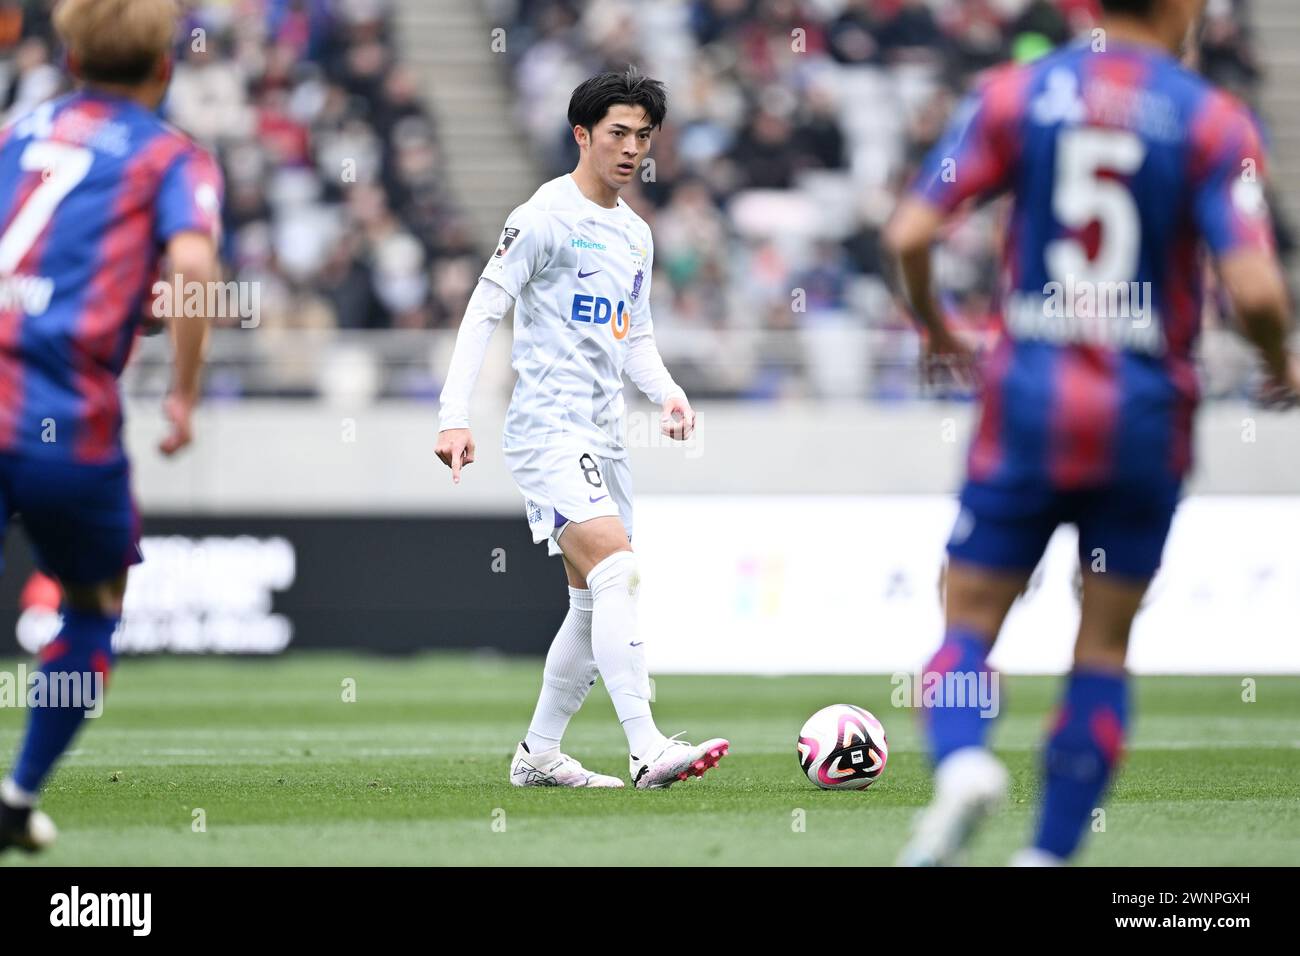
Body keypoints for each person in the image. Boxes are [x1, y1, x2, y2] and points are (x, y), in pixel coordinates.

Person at [885, 0, 1296, 864]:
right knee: (1103, 645)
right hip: (1147, 417)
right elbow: (1257, 293)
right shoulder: (1214, 119)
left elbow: (912, 232)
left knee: (967, 620)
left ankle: (963, 764)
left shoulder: (1016, 95)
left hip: (1026, 402)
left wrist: (939, 329)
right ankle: (1049, 853)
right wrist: (1277, 360)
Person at [435, 67, 728, 790]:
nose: (631, 148)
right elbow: (484, 310)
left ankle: (538, 753)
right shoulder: (541, 217)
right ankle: (646, 748)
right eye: (618, 133)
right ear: (583, 135)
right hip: (545, 430)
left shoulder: (634, 235)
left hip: (606, 435)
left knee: (595, 599)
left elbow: (635, 341)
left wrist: (670, 395)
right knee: (620, 569)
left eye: (643, 135)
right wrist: (453, 415)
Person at [0, 0, 222, 853]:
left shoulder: (19, 133)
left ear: (67, 54)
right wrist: (185, 396)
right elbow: (194, 266)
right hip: (65, 424)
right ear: (163, 69)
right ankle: (17, 796)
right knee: (91, 612)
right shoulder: (170, 157)